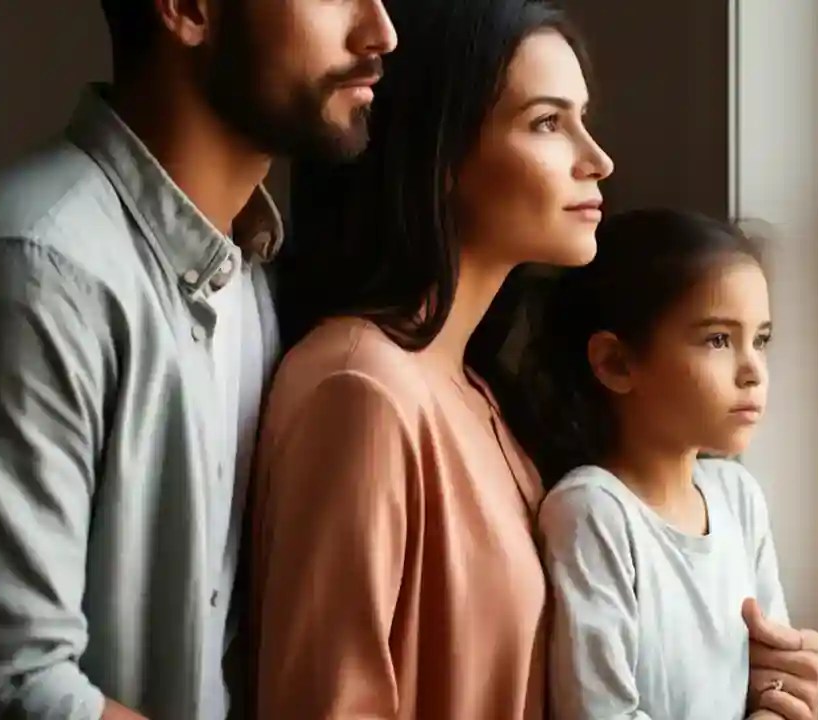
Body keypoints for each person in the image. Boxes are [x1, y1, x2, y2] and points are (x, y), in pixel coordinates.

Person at [0, 1, 395, 717]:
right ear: (190, 9)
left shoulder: (247, 282)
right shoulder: (31, 273)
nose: (381, 31)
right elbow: (5, 692)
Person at [250, 0, 613, 717]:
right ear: (439, 155)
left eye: (582, 117)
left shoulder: (474, 390)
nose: (597, 159)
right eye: (547, 122)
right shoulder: (360, 390)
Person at [522, 209, 818, 720]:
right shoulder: (594, 513)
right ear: (616, 363)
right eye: (718, 339)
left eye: (761, 339)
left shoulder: (738, 496)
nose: (753, 371)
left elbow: (773, 678)